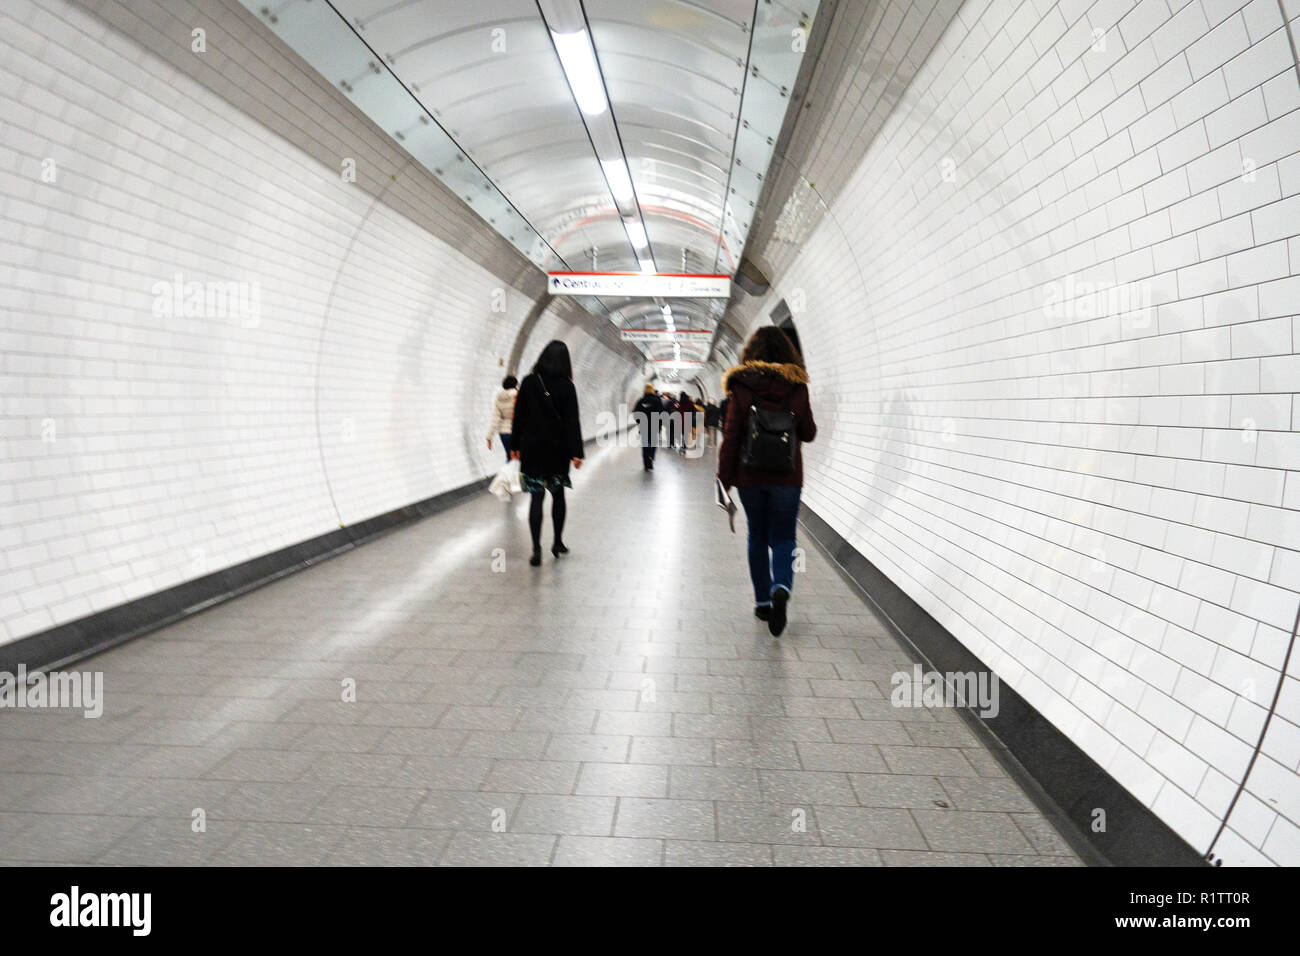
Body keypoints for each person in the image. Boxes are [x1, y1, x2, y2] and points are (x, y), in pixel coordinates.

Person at [717, 326, 817, 637]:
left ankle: (762, 602)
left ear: (752, 353)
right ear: (788, 353)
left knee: (757, 535)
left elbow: (732, 436)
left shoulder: (742, 387)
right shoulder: (798, 387)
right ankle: (781, 587)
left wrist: (724, 477)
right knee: (785, 536)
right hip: (787, 477)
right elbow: (810, 432)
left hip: (750, 476)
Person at [511, 341, 583, 566]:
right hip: (558, 450)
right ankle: (557, 542)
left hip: (532, 449)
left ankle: (535, 549)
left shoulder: (529, 382)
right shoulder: (567, 386)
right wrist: (576, 452)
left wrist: (515, 446)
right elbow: (572, 421)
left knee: (536, 497)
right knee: (558, 495)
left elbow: (519, 417)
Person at [632, 384, 664, 472]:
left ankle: (646, 463)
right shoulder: (657, 400)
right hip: (654, 425)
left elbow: (635, 413)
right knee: (653, 443)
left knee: (645, 444)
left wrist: (639, 422)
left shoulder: (641, 400)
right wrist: (660, 425)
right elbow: (662, 414)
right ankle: (651, 457)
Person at [486, 375, 518, 462]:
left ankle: (509, 474)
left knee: (509, 457)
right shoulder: (519, 395)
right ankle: (516, 474)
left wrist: (489, 436)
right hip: (517, 432)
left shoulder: (500, 397)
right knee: (519, 459)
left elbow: (495, 419)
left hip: (504, 432)